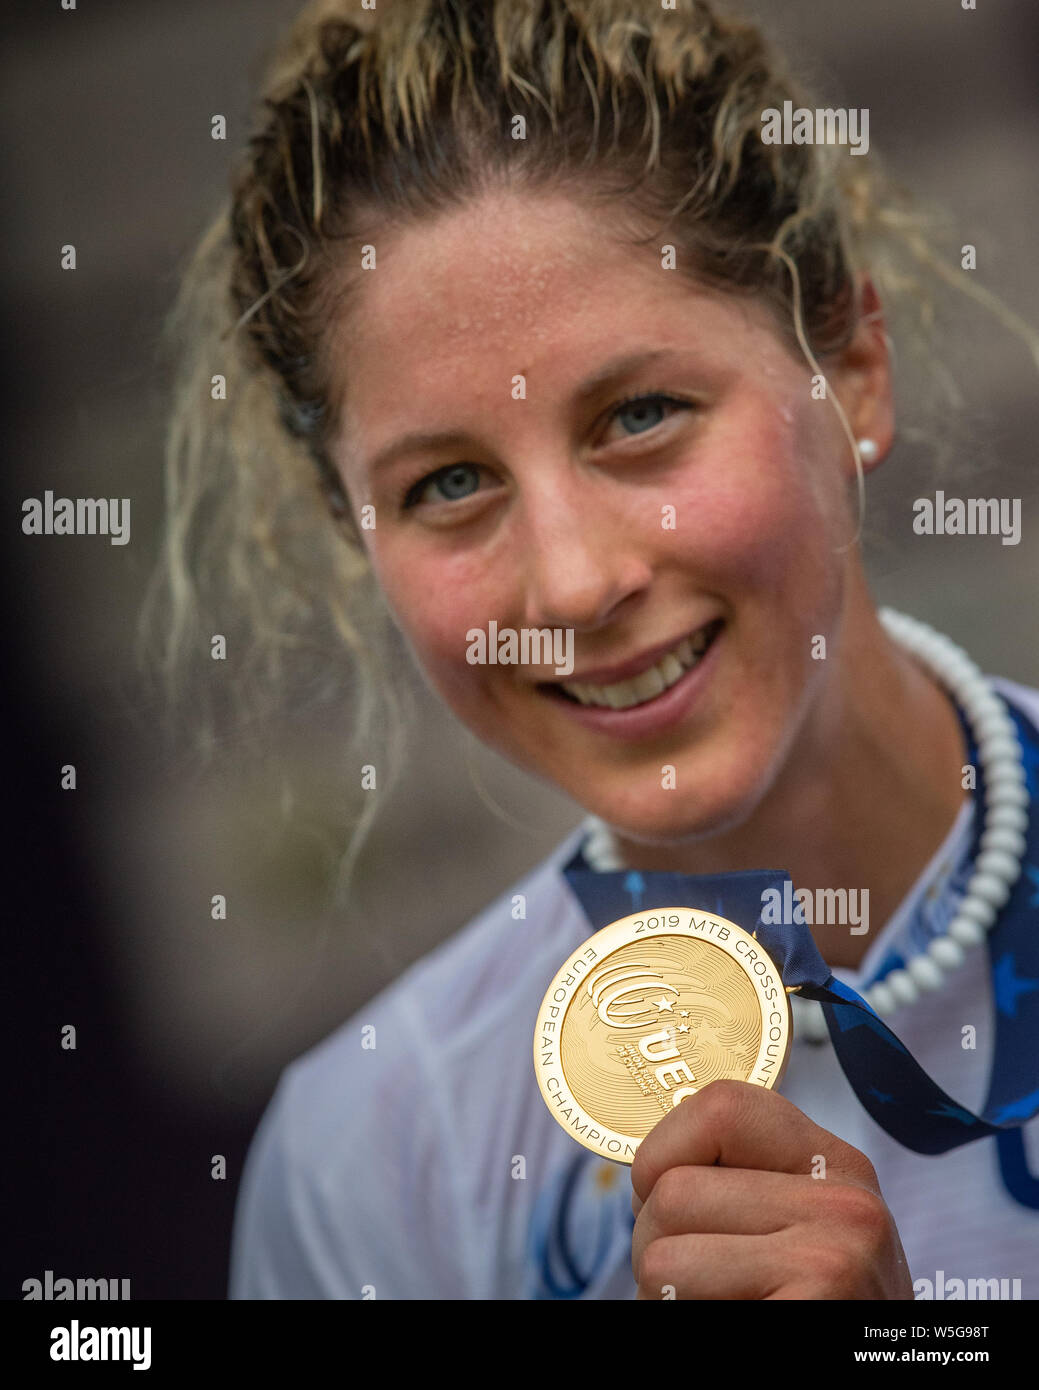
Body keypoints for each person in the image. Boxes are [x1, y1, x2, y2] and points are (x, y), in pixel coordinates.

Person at [153, 0, 1039, 1299]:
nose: (570, 581)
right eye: (450, 483)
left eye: (640, 414)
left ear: (851, 363)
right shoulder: (371, 1164)